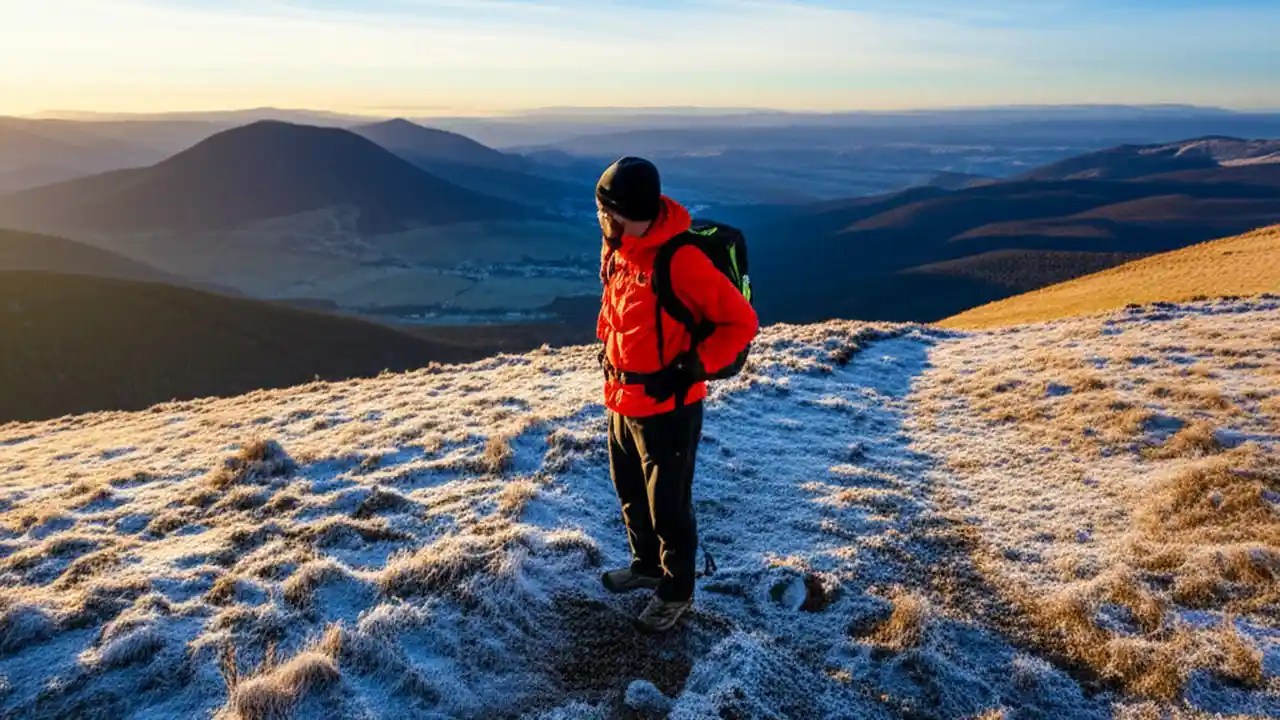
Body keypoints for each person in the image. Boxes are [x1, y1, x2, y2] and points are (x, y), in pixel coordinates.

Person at [594, 157, 759, 633]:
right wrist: (607, 347)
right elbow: (616, 309)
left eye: (608, 213)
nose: (602, 221)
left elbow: (741, 323)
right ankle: (646, 565)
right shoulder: (620, 249)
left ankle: (676, 590)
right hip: (622, 400)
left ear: (631, 212)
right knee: (631, 492)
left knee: (668, 503)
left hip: (670, 406)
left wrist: (693, 366)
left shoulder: (679, 259)